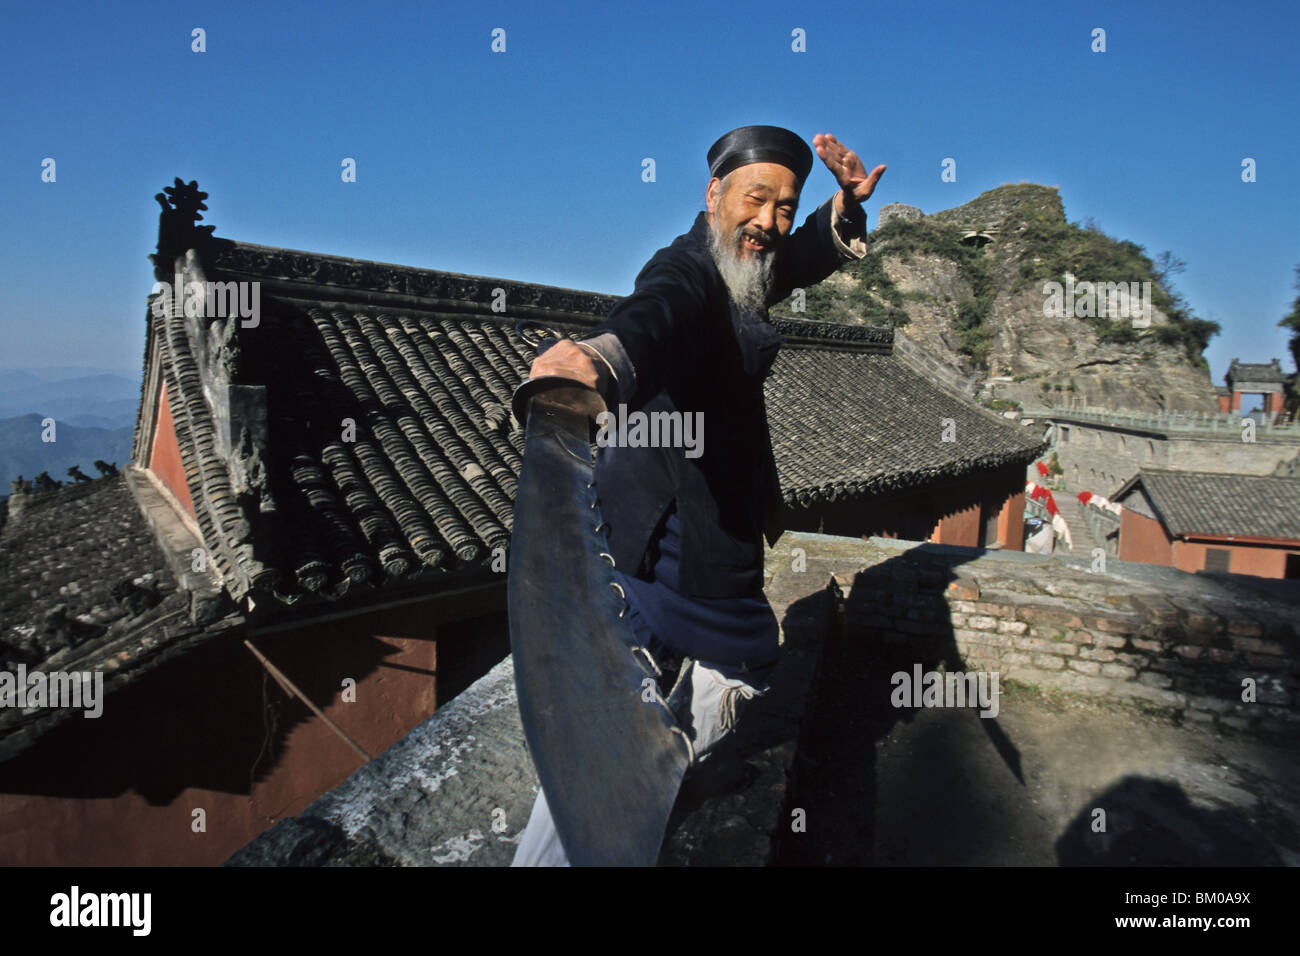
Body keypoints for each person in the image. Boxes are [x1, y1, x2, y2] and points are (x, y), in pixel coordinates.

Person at [511, 126, 886, 865]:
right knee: (671, 688)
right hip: (675, 531)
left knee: (652, 681)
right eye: (757, 199)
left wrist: (843, 208)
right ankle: (609, 816)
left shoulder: (747, 262)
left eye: (785, 206)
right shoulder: (688, 268)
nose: (770, 221)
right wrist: (597, 361)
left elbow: (797, 260)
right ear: (714, 193)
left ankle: (666, 774)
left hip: (699, 518)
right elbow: (656, 313)